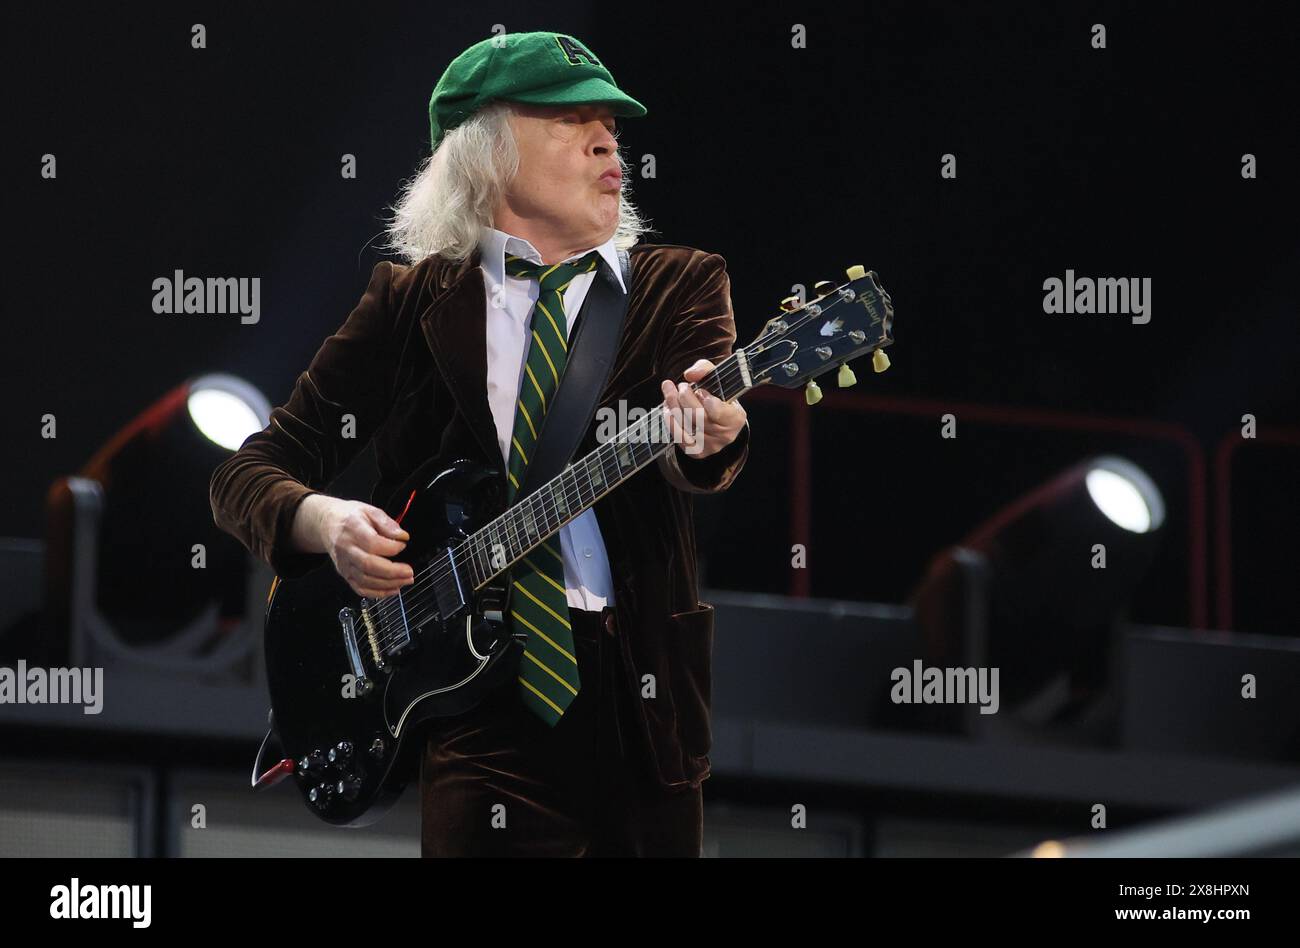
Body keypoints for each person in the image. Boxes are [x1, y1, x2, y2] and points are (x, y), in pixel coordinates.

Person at [210, 30, 749, 857]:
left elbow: (696, 452)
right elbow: (249, 474)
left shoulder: (681, 281)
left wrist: (711, 438)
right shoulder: (410, 303)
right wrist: (329, 525)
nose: (608, 140)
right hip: (474, 703)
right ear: (486, 153)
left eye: (611, 122)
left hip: (643, 702)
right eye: (571, 121)